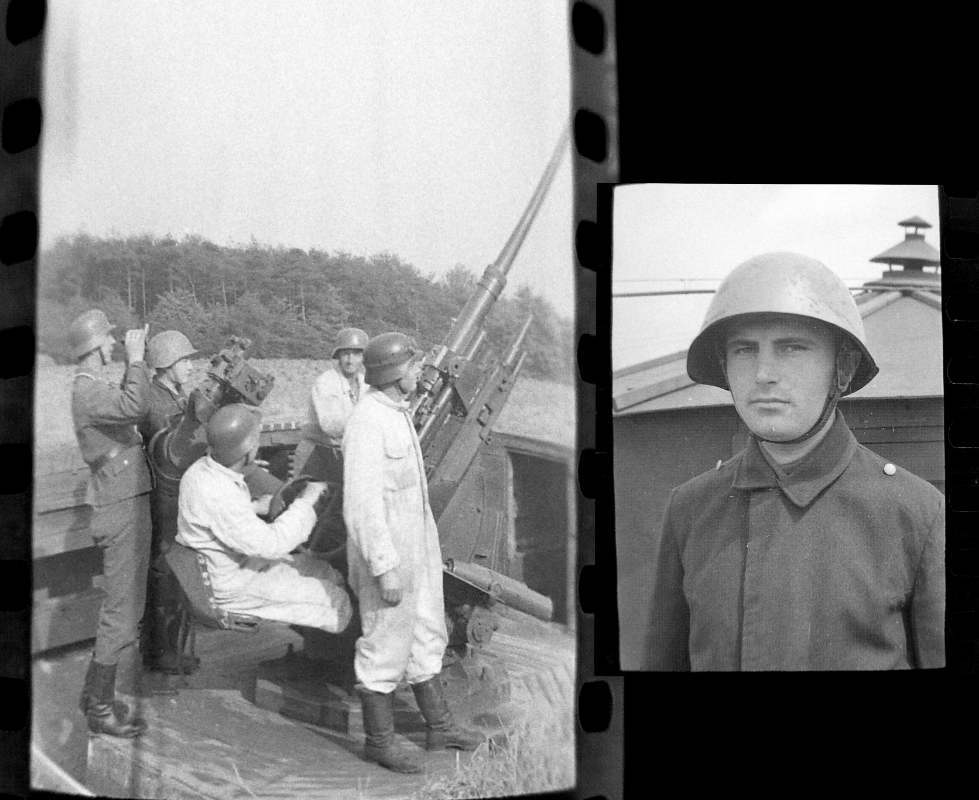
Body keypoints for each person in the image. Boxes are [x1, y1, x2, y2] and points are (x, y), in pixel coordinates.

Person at [645, 252, 945, 671]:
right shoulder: (691, 509)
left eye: (792, 348)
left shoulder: (913, 512)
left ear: (841, 368)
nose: (764, 373)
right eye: (745, 349)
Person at [343, 332, 483, 774]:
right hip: (388, 557)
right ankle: (379, 742)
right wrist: (384, 568)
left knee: (426, 633)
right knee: (384, 643)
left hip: (416, 549)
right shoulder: (367, 421)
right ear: (394, 372)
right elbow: (362, 505)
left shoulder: (395, 413)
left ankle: (438, 727)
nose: (420, 371)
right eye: (414, 364)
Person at [175, 403, 352, 633]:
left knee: (328, 573)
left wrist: (255, 507)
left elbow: (218, 517)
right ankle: (339, 663)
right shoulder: (219, 492)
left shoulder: (200, 471)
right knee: (337, 600)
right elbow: (272, 545)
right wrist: (307, 502)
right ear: (247, 451)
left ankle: (316, 651)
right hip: (235, 583)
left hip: (231, 564)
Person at [69, 309, 152, 737]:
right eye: (110, 341)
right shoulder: (87, 391)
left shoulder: (93, 389)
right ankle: (100, 710)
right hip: (120, 507)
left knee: (123, 608)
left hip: (123, 500)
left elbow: (127, 409)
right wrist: (136, 360)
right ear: (96, 346)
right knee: (121, 612)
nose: (115, 344)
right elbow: (136, 405)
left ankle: (91, 695)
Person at [136, 329, 201, 674]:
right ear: (167, 364)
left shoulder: (175, 396)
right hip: (165, 495)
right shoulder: (158, 403)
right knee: (164, 569)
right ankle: (159, 652)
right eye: (185, 361)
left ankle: (169, 648)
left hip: (175, 491)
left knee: (173, 567)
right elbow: (174, 446)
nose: (191, 366)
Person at [290, 326, 369, 481]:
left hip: (343, 454)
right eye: (346, 354)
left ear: (363, 357)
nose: (350, 360)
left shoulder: (365, 385)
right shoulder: (326, 382)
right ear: (338, 356)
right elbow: (330, 425)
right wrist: (367, 423)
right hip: (316, 456)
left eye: (356, 354)